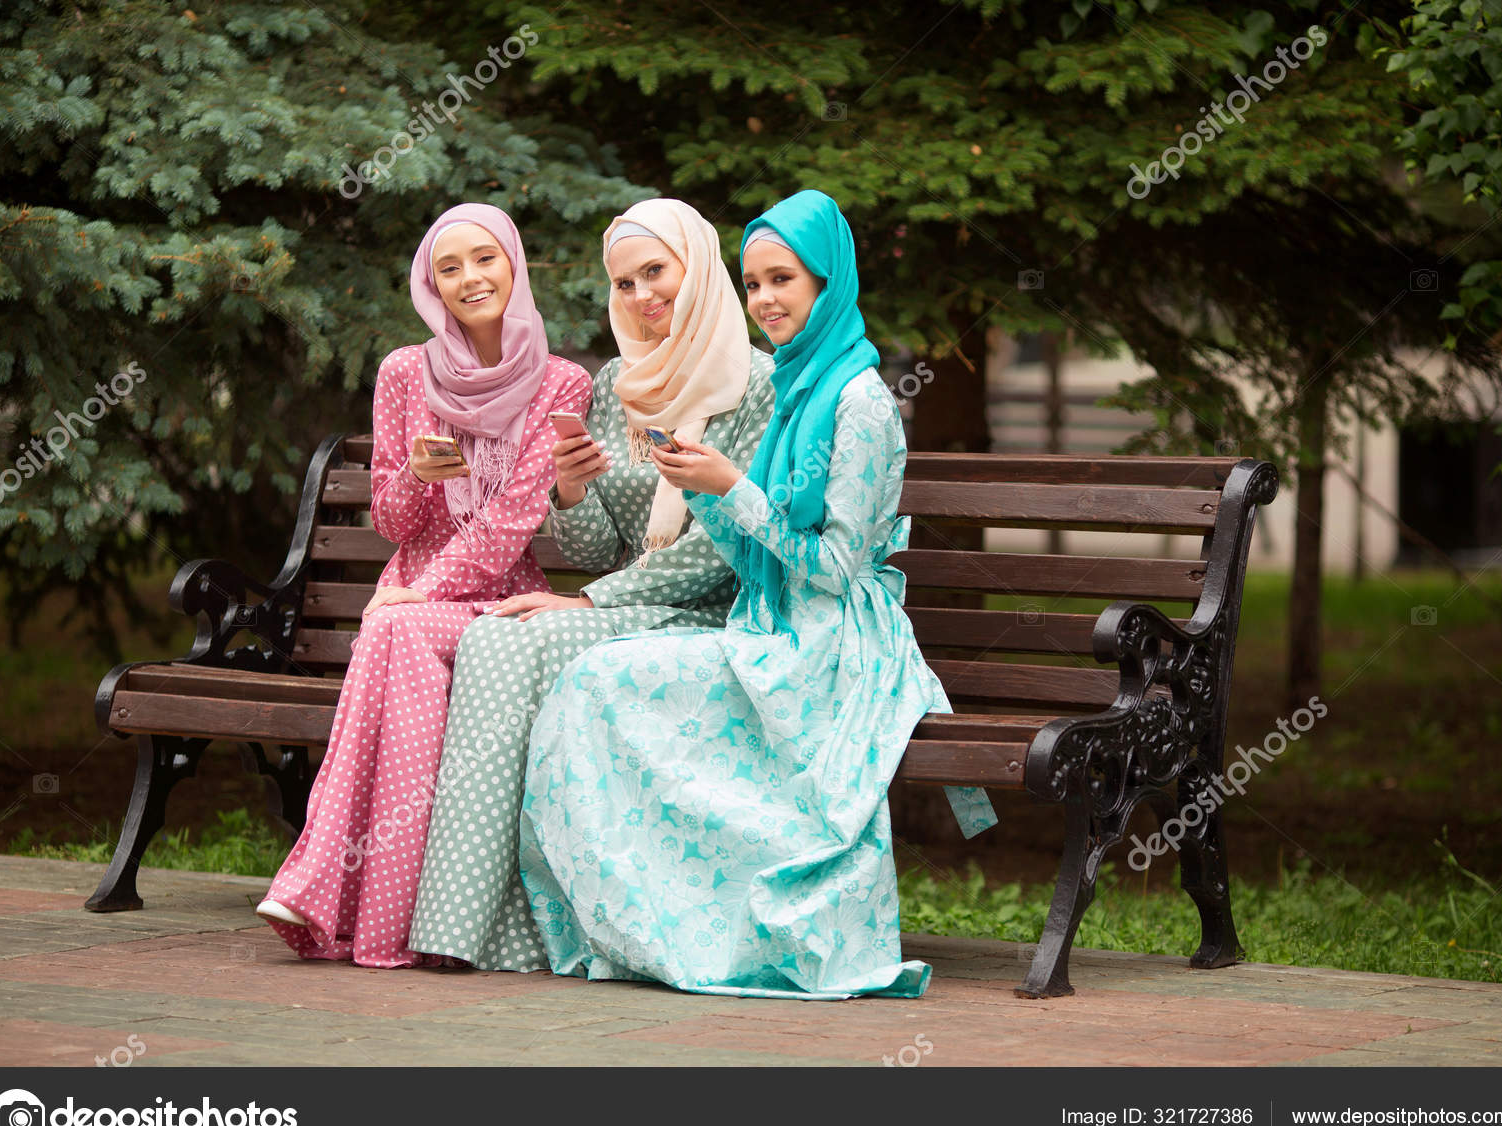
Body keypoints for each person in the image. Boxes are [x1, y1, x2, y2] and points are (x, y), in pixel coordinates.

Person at [516, 190, 996, 1000]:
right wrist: (701, 490)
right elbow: (750, 549)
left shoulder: (860, 400)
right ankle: (652, 929)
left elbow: (839, 568)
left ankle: (737, 936)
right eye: (753, 284)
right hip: (765, 623)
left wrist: (732, 487)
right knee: (596, 682)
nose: (767, 300)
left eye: (784, 280)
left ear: (827, 282)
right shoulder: (795, 388)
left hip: (835, 644)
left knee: (609, 683)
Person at [407, 199, 776, 968]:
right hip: (630, 609)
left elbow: (730, 544)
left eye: (656, 273)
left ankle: (514, 927)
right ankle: (459, 930)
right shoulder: (618, 386)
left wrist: (588, 601)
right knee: (497, 639)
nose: (643, 295)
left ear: (697, 270)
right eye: (625, 281)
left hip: (718, 619)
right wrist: (570, 493)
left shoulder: (758, 384)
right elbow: (603, 548)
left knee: (530, 632)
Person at [256, 203, 592, 968]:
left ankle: (322, 887)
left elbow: (513, 522)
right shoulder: (406, 372)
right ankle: (385, 922)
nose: (470, 277)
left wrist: (425, 589)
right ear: (429, 284)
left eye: (485, 259)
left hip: (499, 598)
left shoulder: (561, 383)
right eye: (450, 267)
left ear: (515, 265)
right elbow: (390, 518)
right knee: (393, 632)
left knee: (391, 625)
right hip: (413, 591)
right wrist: (415, 473)